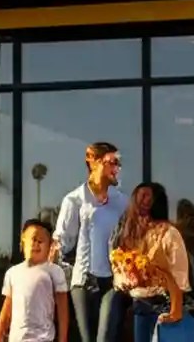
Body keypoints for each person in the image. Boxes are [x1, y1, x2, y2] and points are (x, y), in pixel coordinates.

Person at [51, 142, 128, 342]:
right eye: (112, 163)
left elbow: (131, 236)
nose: (117, 169)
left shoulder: (122, 202)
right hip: (83, 280)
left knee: (105, 338)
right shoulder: (74, 200)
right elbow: (63, 241)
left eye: (118, 164)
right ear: (94, 162)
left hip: (112, 281)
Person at [110, 182, 192, 342]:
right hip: (134, 306)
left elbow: (180, 273)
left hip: (161, 306)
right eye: (139, 194)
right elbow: (118, 268)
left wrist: (176, 309)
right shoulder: (128, 234)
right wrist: (122, 281)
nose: (143, 199)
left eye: (148, 195)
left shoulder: (169, 233)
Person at [0, 219, 69, 342]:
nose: (36, 243)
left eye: (41, 241)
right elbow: (7, 310)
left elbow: (62, 309)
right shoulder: (13, 273)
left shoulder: (55, 271)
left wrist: (63, 339)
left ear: (50, 245)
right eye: (33, 239)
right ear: (23, 242)